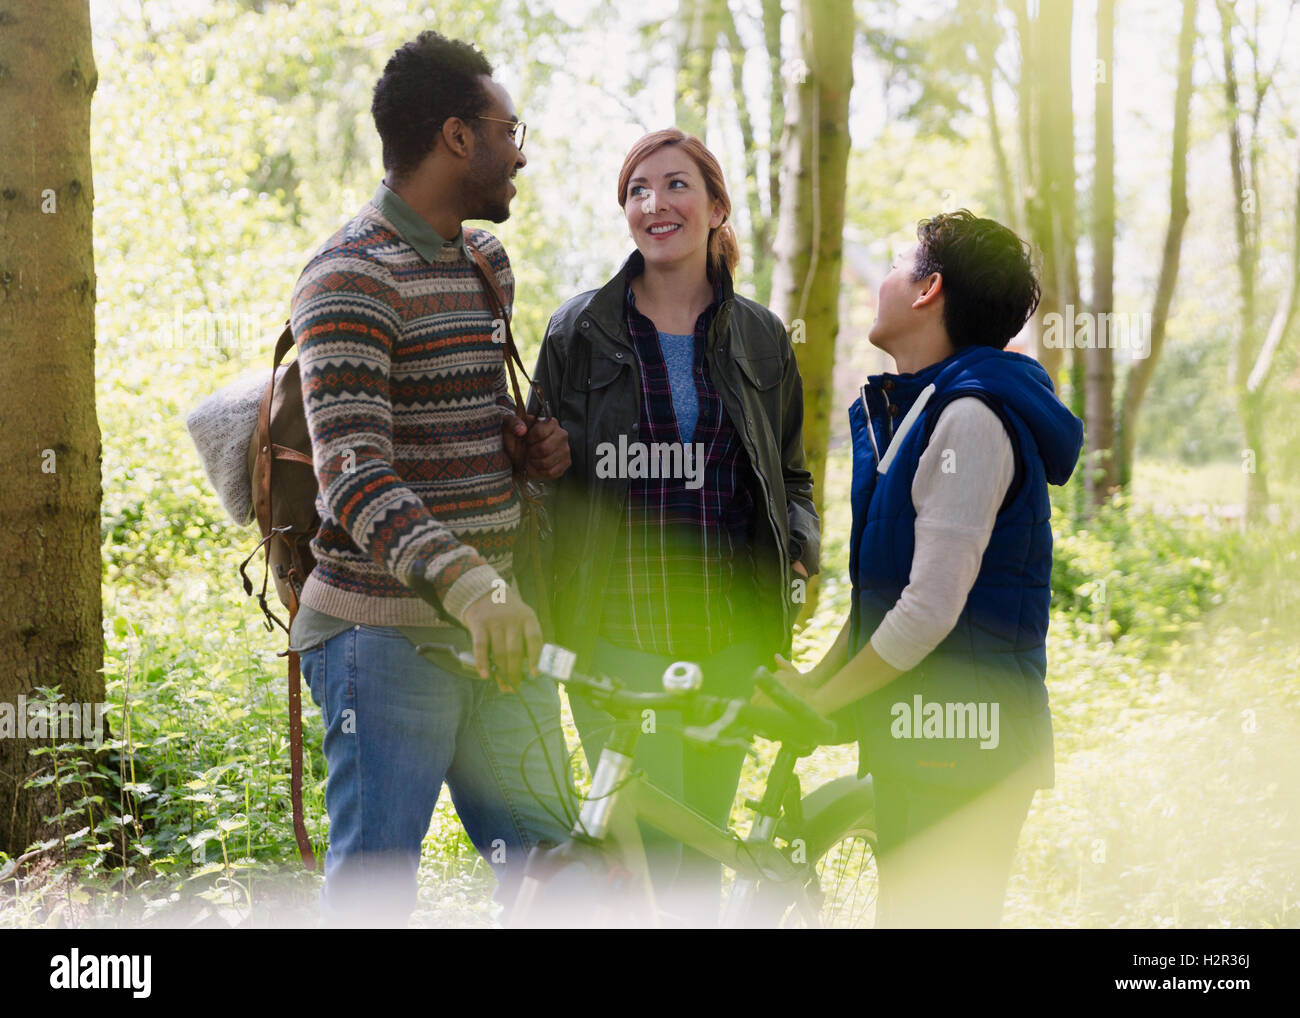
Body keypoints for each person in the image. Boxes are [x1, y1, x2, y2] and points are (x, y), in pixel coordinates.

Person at [287, 31, 577, 927]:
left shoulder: (485, 264)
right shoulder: (346, 278)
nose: (519, 150)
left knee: (557, 871)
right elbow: (355, 476)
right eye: (508, 128)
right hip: (382, 641)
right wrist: (478, 587)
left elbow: (461, 423)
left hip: (499, 631)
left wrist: (529, 452)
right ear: (459, 136)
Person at [529, 128, 819, 923]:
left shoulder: (763, 336)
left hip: (728, 643)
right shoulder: (577, 332)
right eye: (636, 191)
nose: (655, 204)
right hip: (615, 639)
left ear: (717, 206)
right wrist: (540, 463)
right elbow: (541, 490)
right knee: (642, 864)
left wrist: (798, 554)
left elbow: (790, 473)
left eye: (676, 185)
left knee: (698, 856)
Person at [774, 210, 1083, 928]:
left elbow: (929, 609)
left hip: (966, 750)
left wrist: (824, 706)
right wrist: (808, 690)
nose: (878, 281)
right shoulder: (922, 409)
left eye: (894, 264)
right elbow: (885, 599)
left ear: (927, 290)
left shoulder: (971, 419)